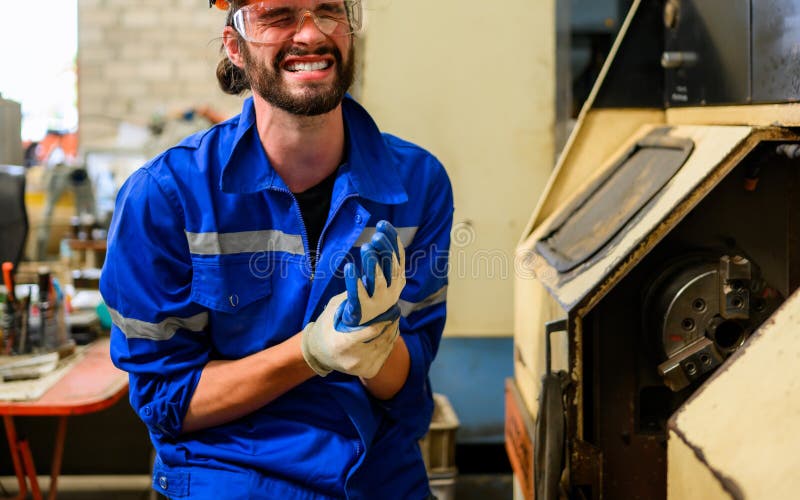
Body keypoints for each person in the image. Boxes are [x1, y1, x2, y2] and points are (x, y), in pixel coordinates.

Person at [99, 0, 454, 498]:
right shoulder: (167, 197)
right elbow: (166, 399)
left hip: (377, 476)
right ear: (235, 47)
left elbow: (408, 388)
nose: (310, 35)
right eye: (279, 15)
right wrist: (312, 350)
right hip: (229, 475)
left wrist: (375, 347)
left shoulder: (418, 183)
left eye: (328, 11)